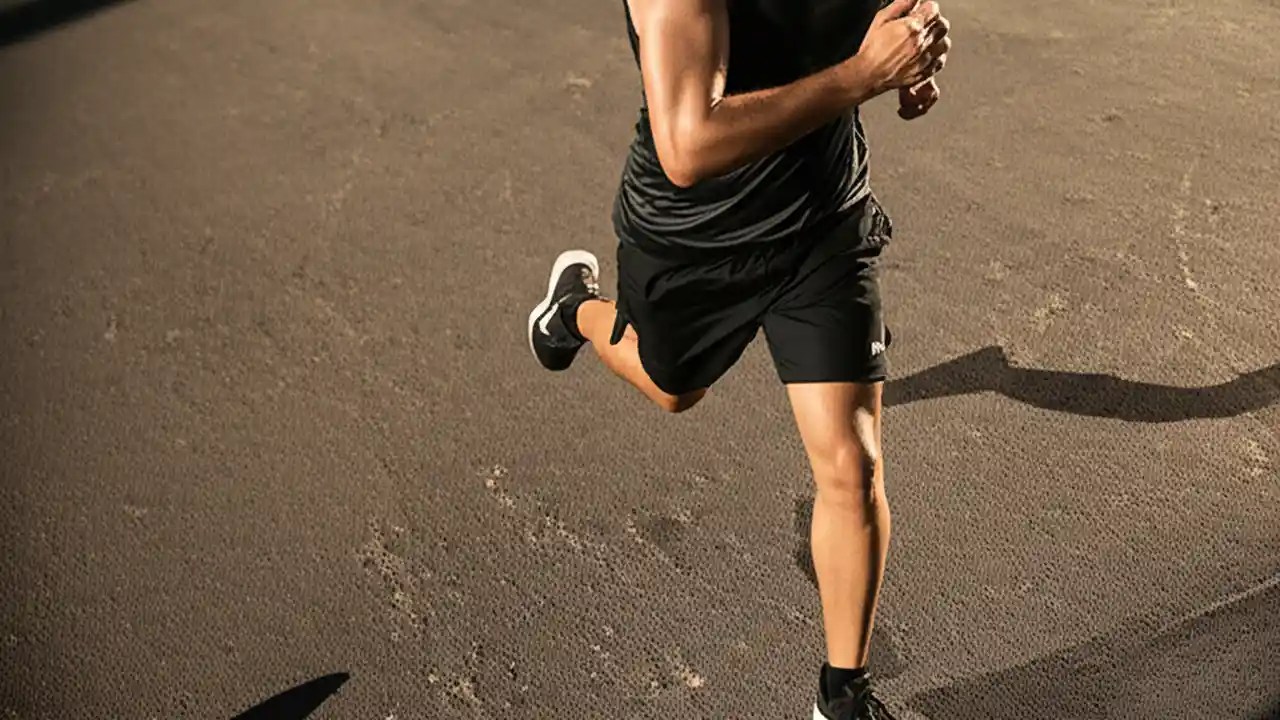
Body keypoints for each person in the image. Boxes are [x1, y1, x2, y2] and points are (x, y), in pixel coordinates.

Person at [526, 0, 951, 716]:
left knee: (853, 463)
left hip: (822, 219)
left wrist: (914, 52)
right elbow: (687, 146)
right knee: (671, 389)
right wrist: (859, 75)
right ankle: (573, 310)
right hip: (698, 241)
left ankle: (842, 698)